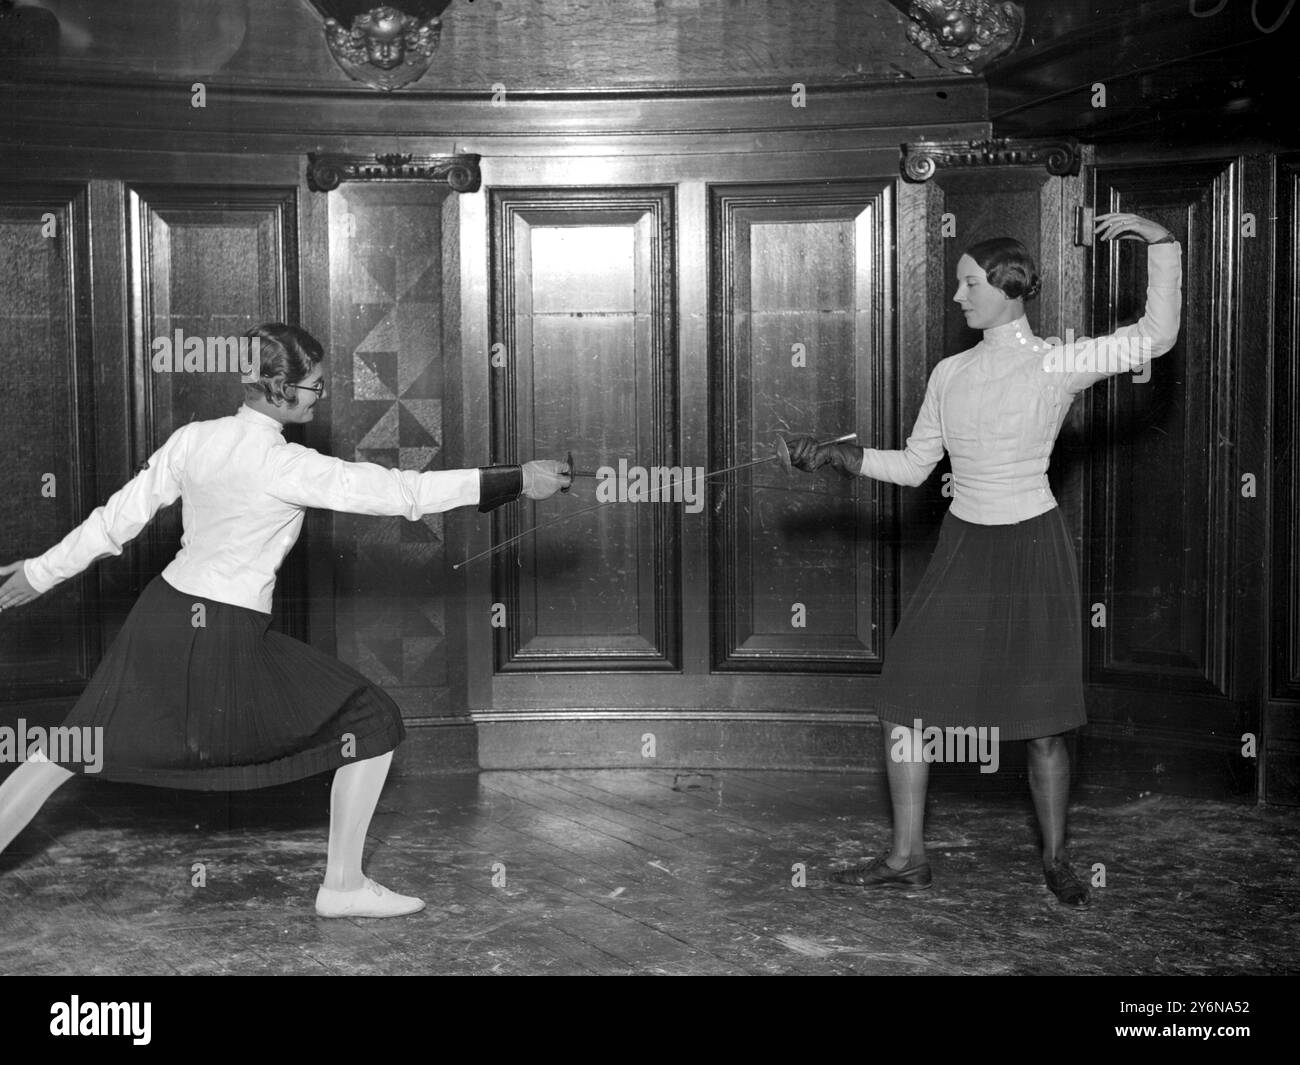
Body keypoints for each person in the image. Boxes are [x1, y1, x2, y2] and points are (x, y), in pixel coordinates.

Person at [0, 324, 569, 918]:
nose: (321, 396)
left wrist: (39, 572)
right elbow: (406, 492)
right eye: (314, 387)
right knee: (373, 720)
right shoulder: (287, 465)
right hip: (224, 633)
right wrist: (517, 479)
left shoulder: (194, 439)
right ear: (277, 389)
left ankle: (345, 886)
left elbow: (114, 521)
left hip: (162, 616)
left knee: (61, 753)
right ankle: (342, 886)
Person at [787, 212, 1182, 907]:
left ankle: (1057, 858)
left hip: (1033, 548)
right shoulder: (950, 371)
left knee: (1045, 723)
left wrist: (1163, 245)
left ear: (1008, 287)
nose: (958, 296)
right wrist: (845, 457)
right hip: (963, 549)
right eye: (959, 283)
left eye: (969, 283)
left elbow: (1156, 336)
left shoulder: (1057, 362)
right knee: (904, 703)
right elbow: (915, 467)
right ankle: (908, 855)